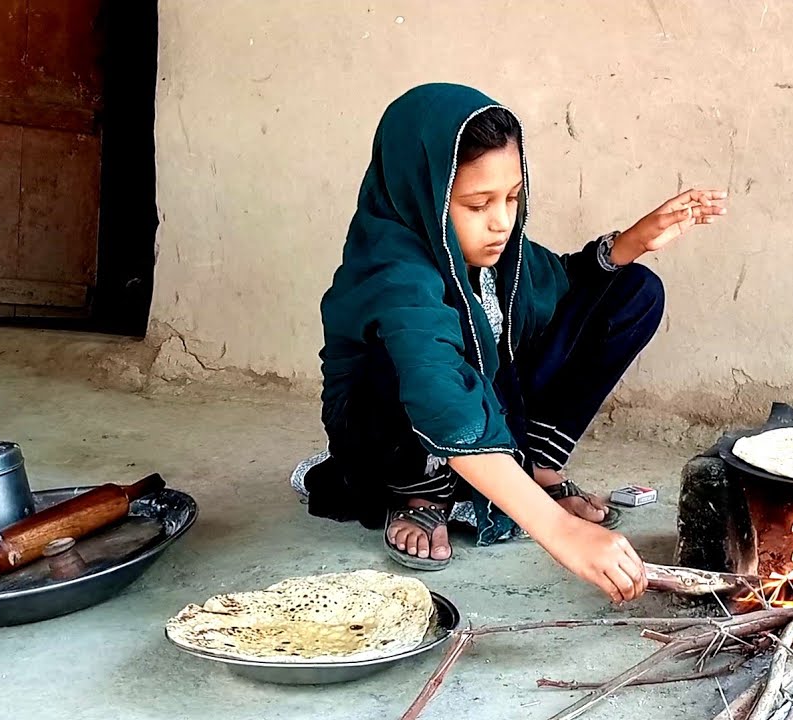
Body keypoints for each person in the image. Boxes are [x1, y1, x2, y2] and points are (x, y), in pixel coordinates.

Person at [292, 83, 726, 604]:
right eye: (477, 204)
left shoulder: (503, 253)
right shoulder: (394, 273)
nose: (502, 221)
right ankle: (417, 491)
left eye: (513, 197)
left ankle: (536, 466)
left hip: (478, 401)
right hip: (389, 434)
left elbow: (559, 286)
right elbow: (442, 399)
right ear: (423, 193)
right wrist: (560, 532)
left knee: (632, 290)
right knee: (413, 361)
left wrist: (633, 241)